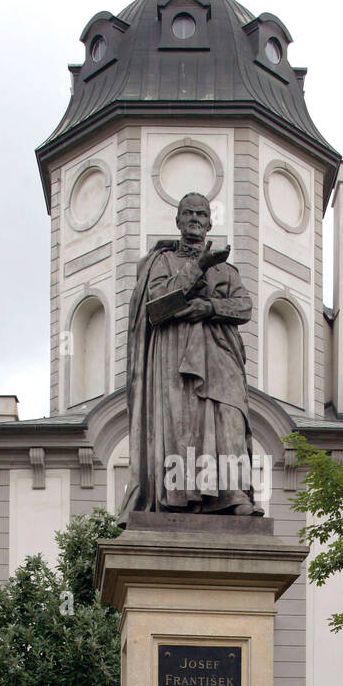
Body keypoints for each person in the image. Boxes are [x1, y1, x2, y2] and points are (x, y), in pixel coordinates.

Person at [121, 191, 263, 518]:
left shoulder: (227, 270)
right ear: (178, 220)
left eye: (201, 214)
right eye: (188, 213)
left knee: (229, 417)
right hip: (173, 355)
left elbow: (243, 307)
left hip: (221, 353)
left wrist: (210, 307)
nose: (195, 219)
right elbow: (156, 307)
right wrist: (197, 267)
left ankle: (235, 495)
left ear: (210, 222)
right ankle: (182, 498)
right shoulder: (161, 263)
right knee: (183, 424)